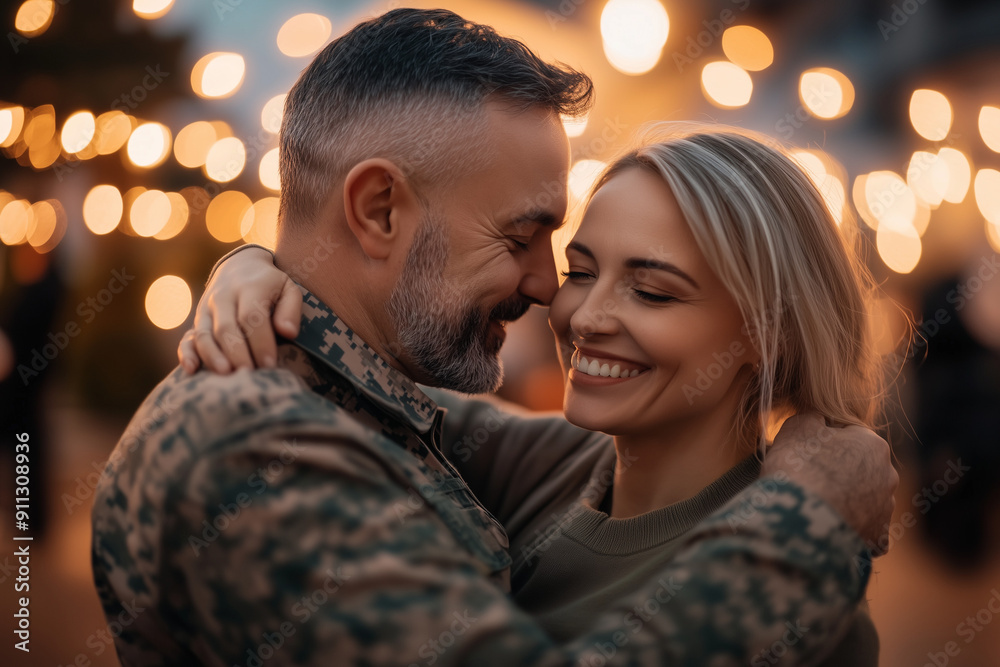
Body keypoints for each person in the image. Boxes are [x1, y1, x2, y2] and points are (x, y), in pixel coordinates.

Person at [93, 8, 896, 667]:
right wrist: (810, 516)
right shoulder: (257, 451)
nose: (555, 294)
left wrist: (260, 265)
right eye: (524, 238)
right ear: (377, 210)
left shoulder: (400, 419)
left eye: (649, 287)